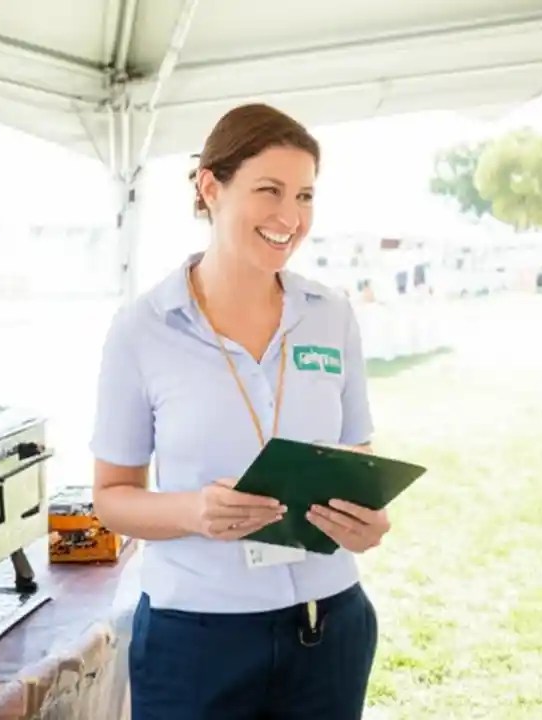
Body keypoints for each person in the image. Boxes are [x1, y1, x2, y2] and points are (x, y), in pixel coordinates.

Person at [90, 103, 388, 720]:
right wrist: (195, 511)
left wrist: (367, 520)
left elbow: (356, 456)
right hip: (195, 640)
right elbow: (112, 497)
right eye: (269, 191)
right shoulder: (142, 330)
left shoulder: (330, 315)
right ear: (210, 188)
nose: (291, 217)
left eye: (305, 195)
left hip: (328, 625)